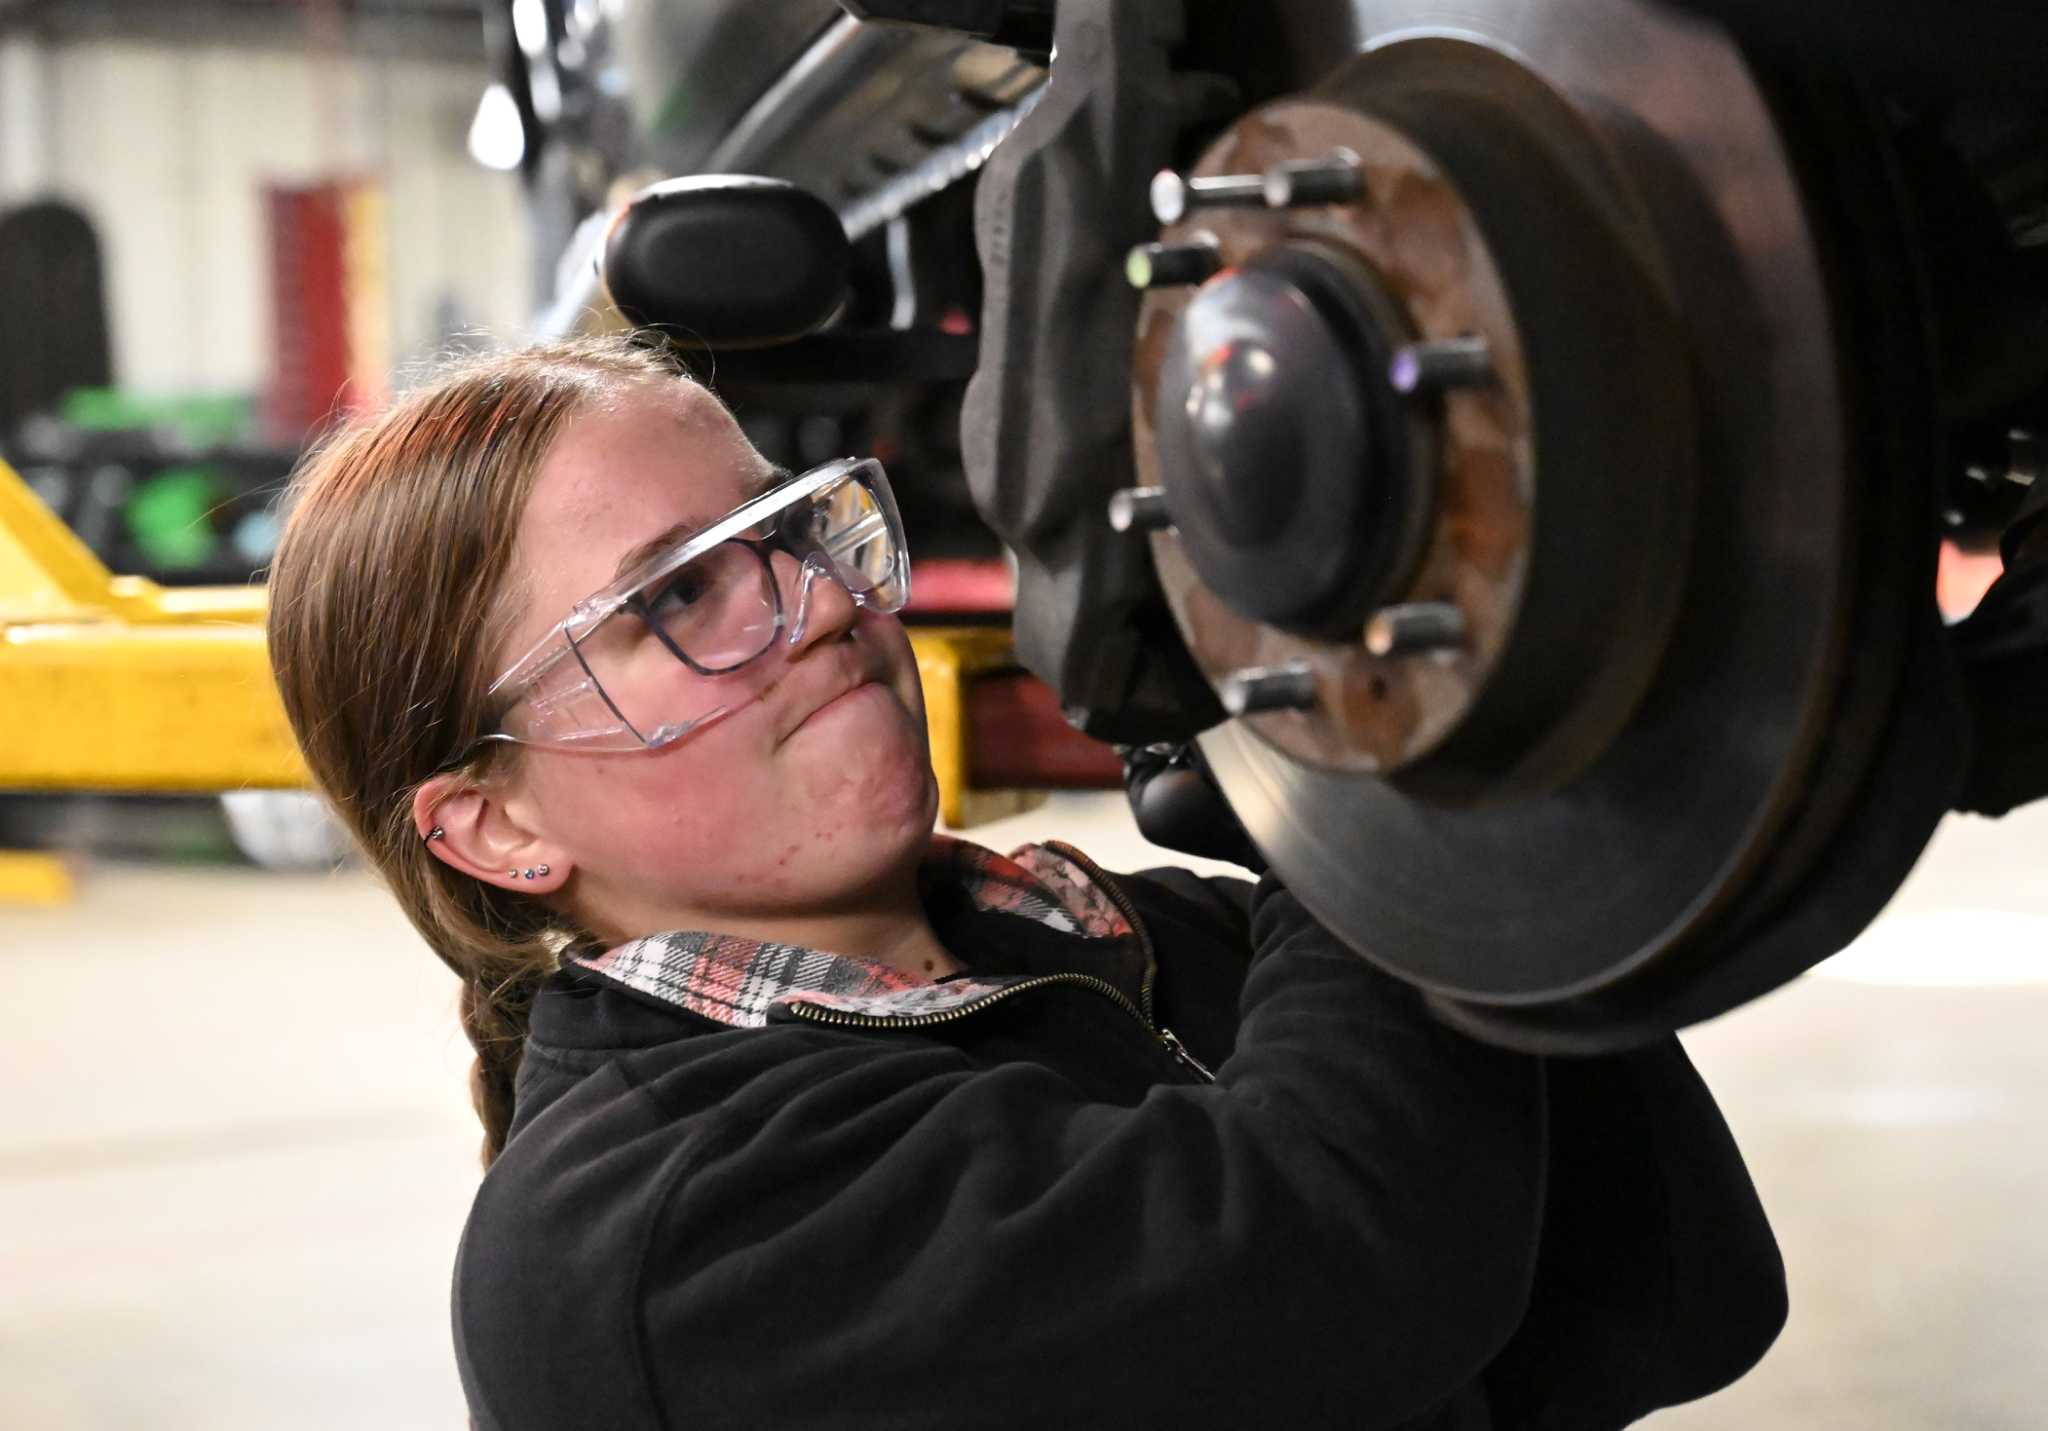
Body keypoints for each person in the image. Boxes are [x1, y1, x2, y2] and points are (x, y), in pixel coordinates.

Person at [265, 336, 1785, 1430]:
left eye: (789, 530)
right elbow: (1342, 1263)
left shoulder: (1153, 941)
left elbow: (1682, 1292)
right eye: (677, 595)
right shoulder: (661, 1236)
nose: (819, 606)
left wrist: (1458, 802)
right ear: (496, 827)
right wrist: (1371, 790)